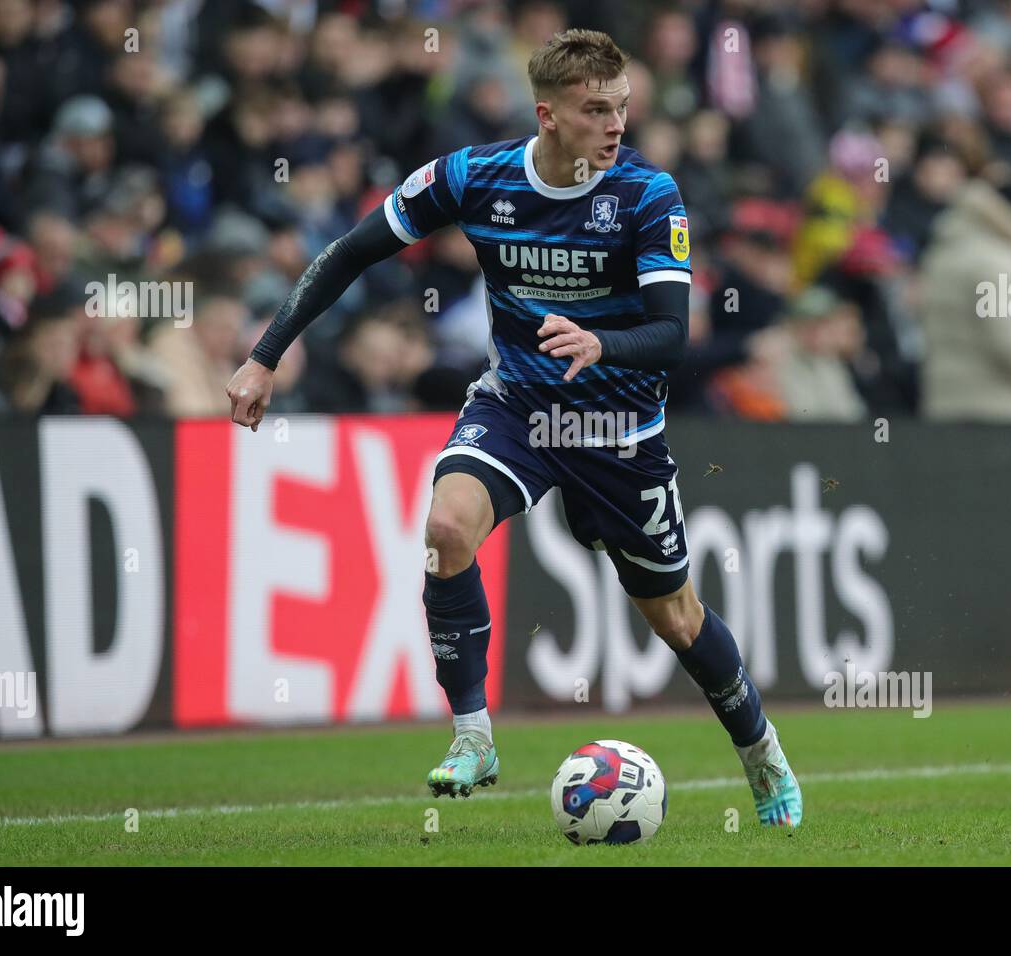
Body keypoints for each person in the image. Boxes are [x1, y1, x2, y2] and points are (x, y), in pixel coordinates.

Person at [224, 29, 802, 828]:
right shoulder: (473, 175)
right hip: (519, 408)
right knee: (446, 526)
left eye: (623, 106)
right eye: (596, 108)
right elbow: (352, 251)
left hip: (619, 430)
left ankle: (762, 754)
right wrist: (264, 357)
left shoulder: (646, 194)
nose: (615, 124)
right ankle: (473, 736)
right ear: (548, 114)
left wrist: (604, 342)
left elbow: (675, 333)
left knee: (676, 619)